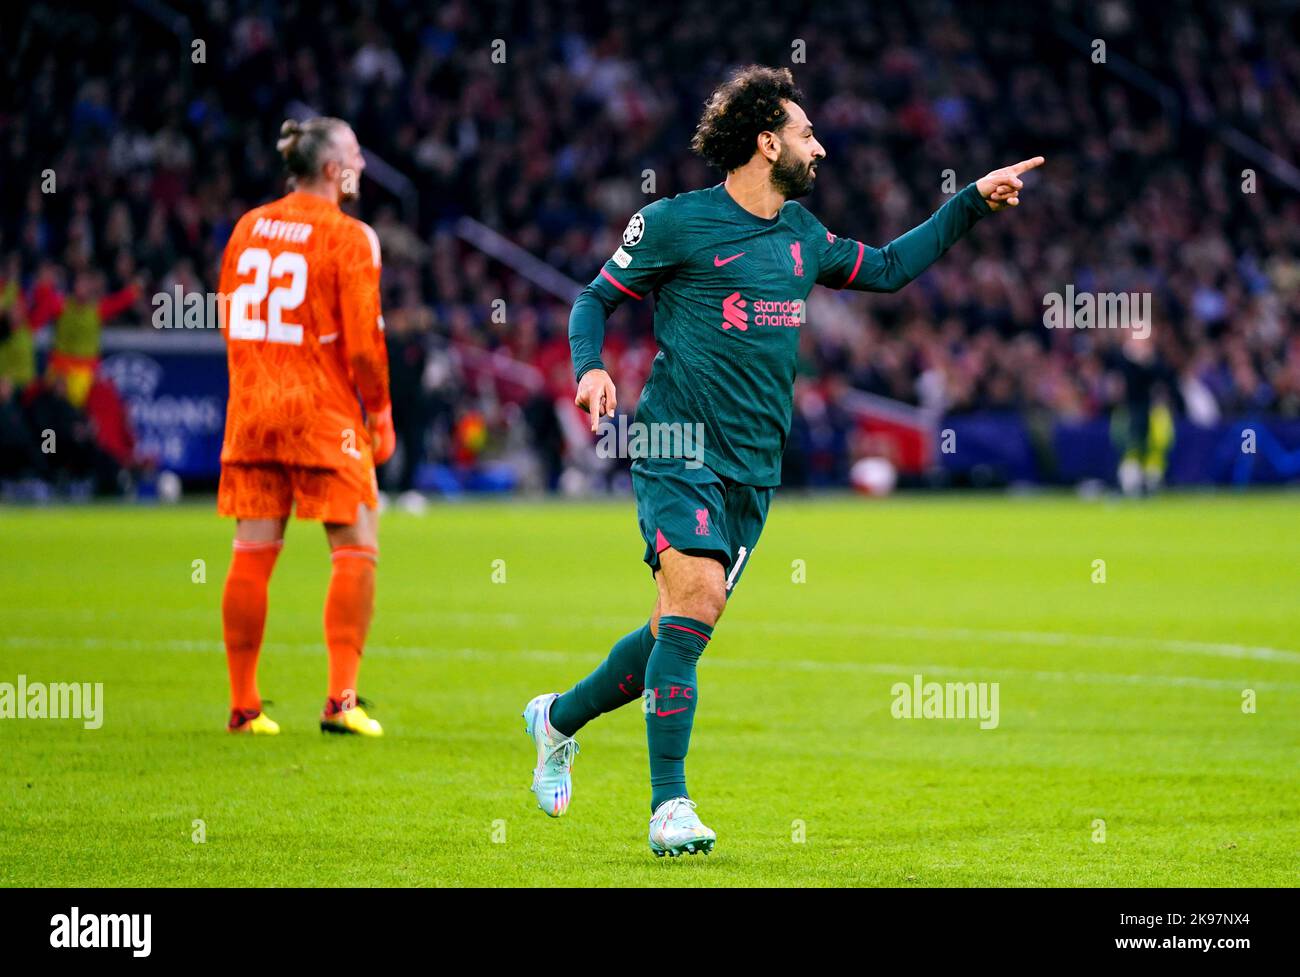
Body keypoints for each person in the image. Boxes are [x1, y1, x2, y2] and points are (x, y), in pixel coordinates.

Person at [523, 65, 1044, 855]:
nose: (820, 147)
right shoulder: (673, 222)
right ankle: (670, 807)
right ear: (767, 142)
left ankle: (557, 717)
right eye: (807, 133)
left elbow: (892, 268)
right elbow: (592, 299)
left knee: (677, 625)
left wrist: (971, 200)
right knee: (693, 600)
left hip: (754, 469)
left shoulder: (803, 237)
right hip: (674, 446)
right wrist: (591, 367)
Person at [217, 117, 396, 736]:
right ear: (330, 169)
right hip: (321, 413)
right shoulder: (350, 238)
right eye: (355, 154)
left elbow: (228, 318)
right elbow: (368, 346)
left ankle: (245, 707)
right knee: (356, 546)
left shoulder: (246, 229)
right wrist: (379, 412)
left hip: (252, 410)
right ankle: (341, 701)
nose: (363, 165)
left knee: (252, 552)